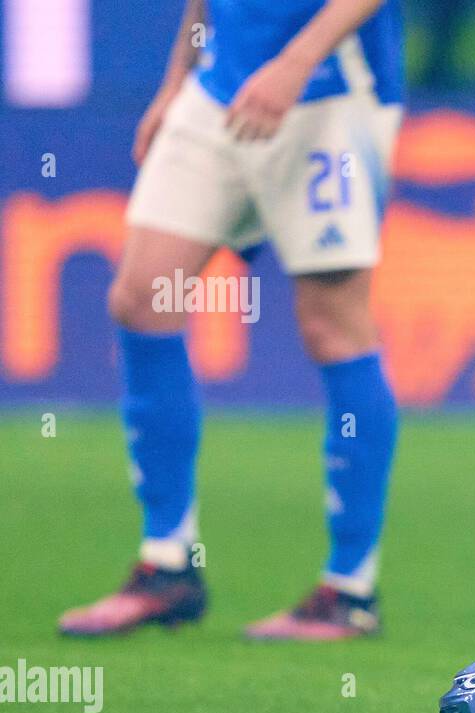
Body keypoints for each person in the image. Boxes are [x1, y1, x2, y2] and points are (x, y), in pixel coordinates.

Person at [58, 0, 405, 640]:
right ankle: (167, 565)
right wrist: (176, 81)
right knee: (143, 297)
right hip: (218, 85)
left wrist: (296, 62)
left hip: (331, 94)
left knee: (333, 323)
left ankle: (350, 590)